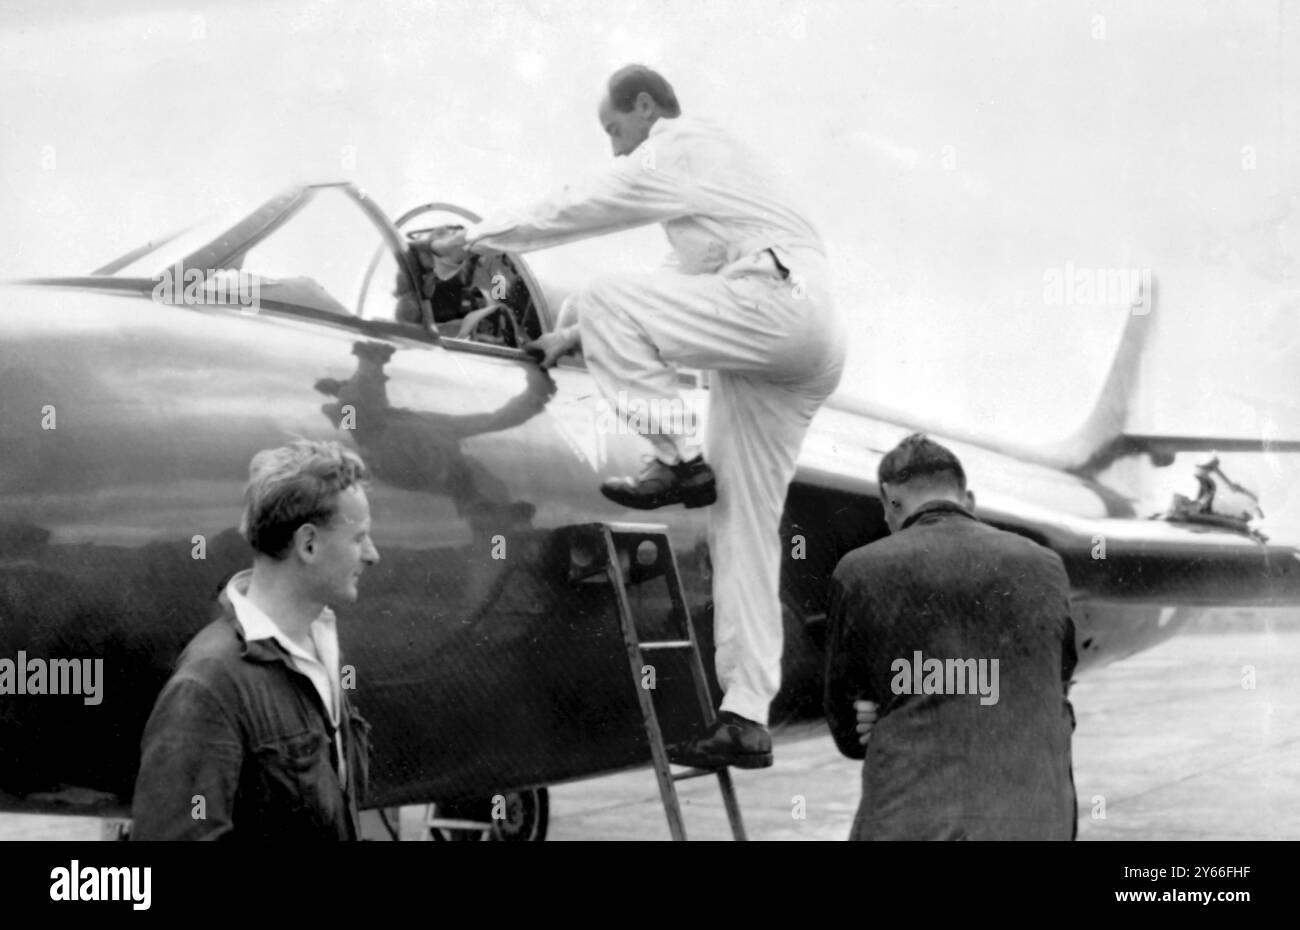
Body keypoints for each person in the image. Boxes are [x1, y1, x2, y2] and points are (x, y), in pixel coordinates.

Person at [424, 64, 845, 768]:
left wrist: (476, 238)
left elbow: (587, 202)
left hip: (776, 305)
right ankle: (746, 715)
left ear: (646, 106)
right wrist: (569, 337)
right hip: (801, 337)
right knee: (742, 527)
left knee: (605, 295)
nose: (616, 148)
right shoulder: (721, 187)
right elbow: (678, 286)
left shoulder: (682, 144)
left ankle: (679, 462)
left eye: (616, 129)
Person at [825, 433, 1078, 840]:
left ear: (891, 501)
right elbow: (1058, 675)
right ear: (969, 499)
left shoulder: (858, 570)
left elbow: (846, 720)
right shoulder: (1045, 564)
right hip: (1036, 819)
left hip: (912, 819)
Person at [131, 440, 380, 840]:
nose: (372, 554)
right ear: (309, 544)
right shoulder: (208, 688)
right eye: (358, 538)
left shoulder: (319, 648)